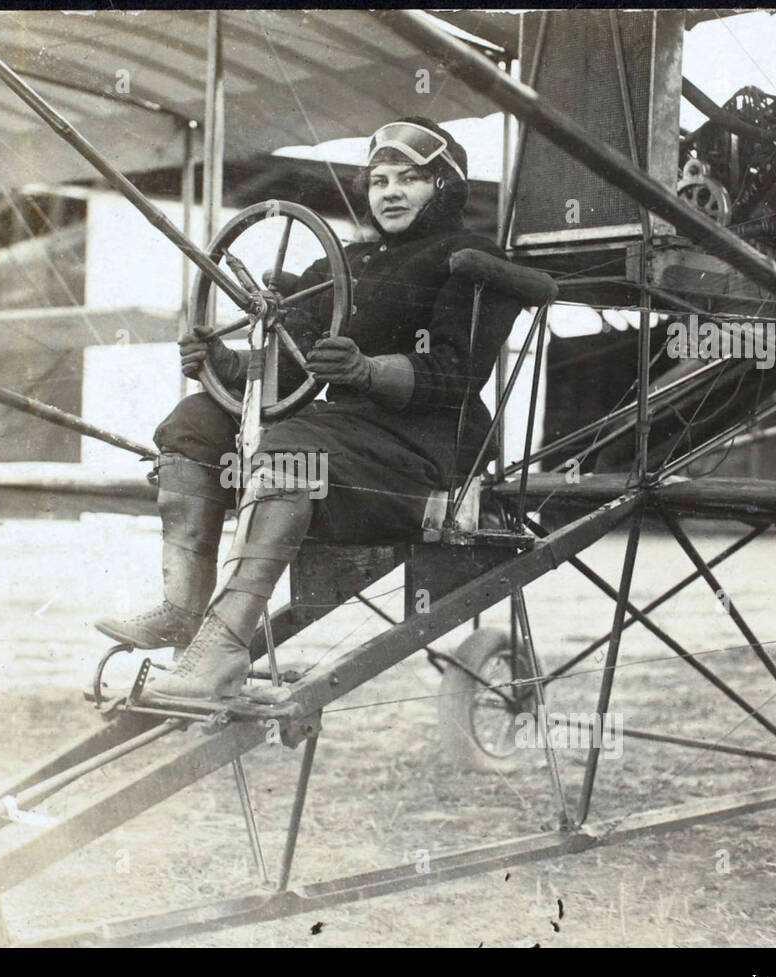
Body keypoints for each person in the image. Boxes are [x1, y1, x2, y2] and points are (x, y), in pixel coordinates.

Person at [95, 116, 524, 700]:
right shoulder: (341, 266)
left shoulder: (469, 259)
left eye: (411, 179)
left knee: (291, 447)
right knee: (193, 425)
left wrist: (371, 371)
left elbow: (457, 373)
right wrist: (219, 360)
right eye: (379, 181)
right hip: (344, 436)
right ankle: (182, 610)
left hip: (429, 452)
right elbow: (287, 373)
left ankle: (222, 651)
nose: (390, 192)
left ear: (445, 187)